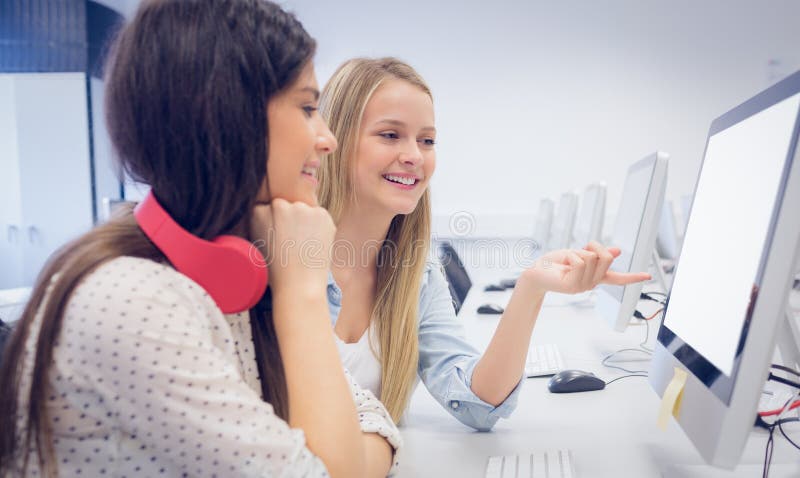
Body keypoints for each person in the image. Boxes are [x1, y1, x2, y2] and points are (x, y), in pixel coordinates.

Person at [0, 3, 400, 477]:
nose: (327, 139)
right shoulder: (130, 300)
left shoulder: (241, 270)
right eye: (308, 108)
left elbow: (372, 419)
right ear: (229, 114)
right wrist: (303, 293)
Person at [317, 57, 650, 430]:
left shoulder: (417, 275)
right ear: (335, 141)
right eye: (390, 135)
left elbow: (479, 403)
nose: (414, 155)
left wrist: (532, 286)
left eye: (427, 140)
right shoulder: (282, 267)